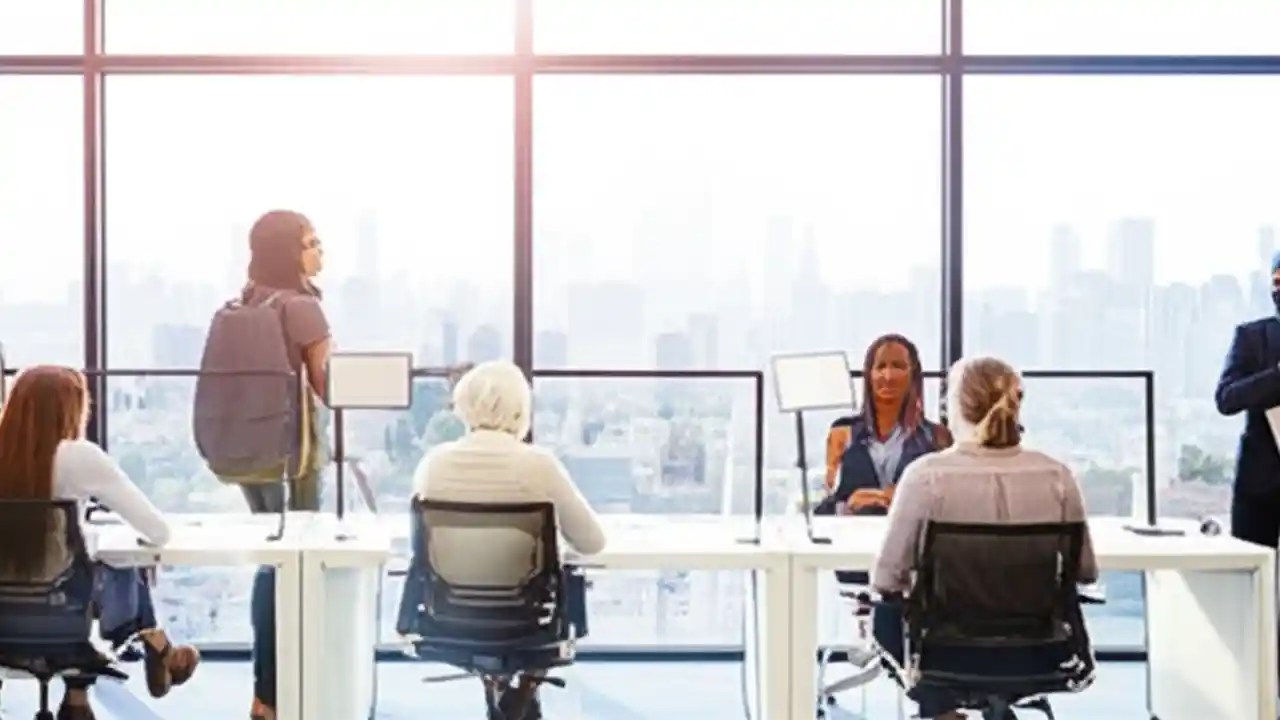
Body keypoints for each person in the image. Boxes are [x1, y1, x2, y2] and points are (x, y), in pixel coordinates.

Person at [871, 356, 1098, 720]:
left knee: (886, 616)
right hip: (1039, 651)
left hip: (945, 652)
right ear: (1016, 404)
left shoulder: (927, 477)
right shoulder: (1057, 476)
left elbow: (885, 579)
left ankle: (942, 711)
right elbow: (1086, 572)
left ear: (952, 408)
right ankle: (992, 707)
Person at [0, 366, 199, 720]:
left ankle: (150, 647)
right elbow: (157, 532)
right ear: (70, 410)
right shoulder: (78, 457)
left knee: (91, 565)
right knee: (115, 560)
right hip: (62, 616)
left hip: (4, 619)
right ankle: (140, 648)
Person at [413, 360, 605, 720]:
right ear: (522, 410)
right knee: (538, 597)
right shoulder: (537, 465)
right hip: (527, 620)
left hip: (452, 615)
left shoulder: (433, 465)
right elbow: (591, 542)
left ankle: (499, 687)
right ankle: (522, 691)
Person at [216, 209, 330, 720]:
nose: (320, 250)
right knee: (297, 564)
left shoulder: (245, 301)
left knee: (272, 561)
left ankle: (268, 693)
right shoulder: (303, 308)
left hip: (250, 452)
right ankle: (279, 691)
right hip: (296, 457)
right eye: (311, 242)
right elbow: (328, 387)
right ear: (291, 252)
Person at [820, 334, 952, 516]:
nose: (888, 376)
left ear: (913, 375)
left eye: (898, 366)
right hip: (852, 537)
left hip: (913, 538)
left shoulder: (938, 437)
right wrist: (847, 506)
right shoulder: (842, 433)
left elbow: (948, 506)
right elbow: (822, 506)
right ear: (869, 375)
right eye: (880, 367)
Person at [1215, 253, 1280, 549]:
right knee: (1253, 579)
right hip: (1260, 487)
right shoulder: (1252, 336)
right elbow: (1227, 398)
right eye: (1277, 281)